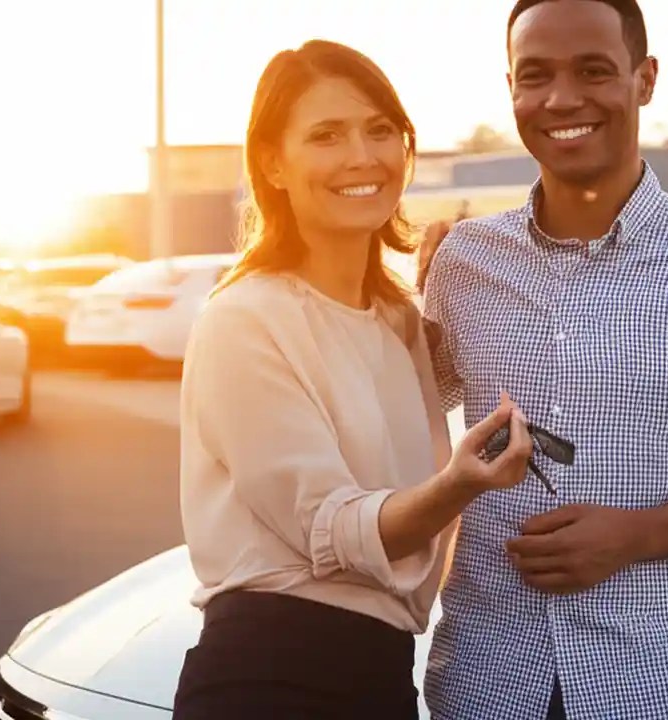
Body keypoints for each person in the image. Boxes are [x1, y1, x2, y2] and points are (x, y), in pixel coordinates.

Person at [417, 1, 668, 719]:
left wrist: (635, 537)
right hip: (485, 686)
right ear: (511, 87)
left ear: (644, 79)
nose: (561, 99)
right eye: (535, 75)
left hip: (666, 688)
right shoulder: (463, 261)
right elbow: (406, 411)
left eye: (593, 71)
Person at [172, 39, 536, 720]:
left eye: (379, 130)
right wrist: (456, 485)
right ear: (273, 163)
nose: (362, 157)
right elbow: (336, 530)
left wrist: (484, 268)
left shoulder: (398, 319)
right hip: (272, 680)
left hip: (382, 677)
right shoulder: (245, 319)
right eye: (326, 135)